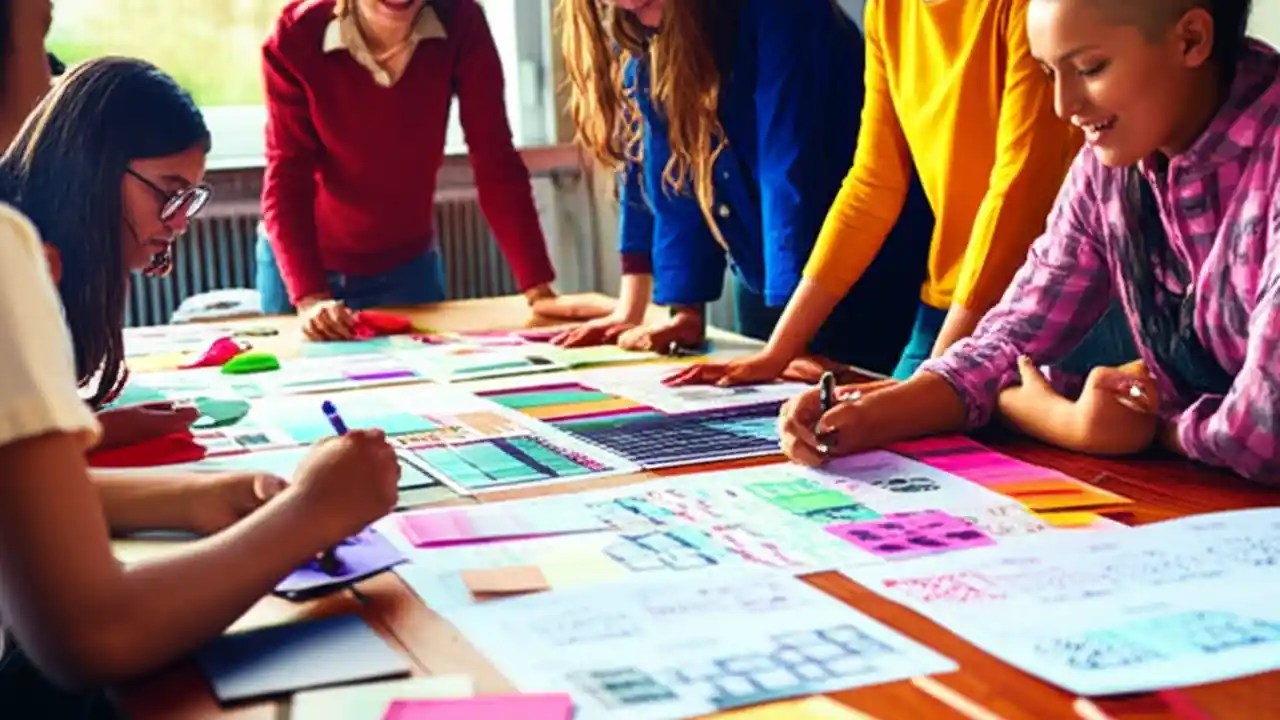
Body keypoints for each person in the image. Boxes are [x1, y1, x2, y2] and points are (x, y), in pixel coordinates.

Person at [0, 47, 402, 718]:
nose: (49, 84)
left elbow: (17, 505)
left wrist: (197, 497)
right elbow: (93, 635)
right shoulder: (15, 257)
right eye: (169, 191)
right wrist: (312, 514)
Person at [778, 0, 1279, 485]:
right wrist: (862, 412)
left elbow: (1265, 428)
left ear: (1190, 39)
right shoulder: (1108, 166)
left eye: (1090, 67)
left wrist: (1101, 425)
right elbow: (1011, 338)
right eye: (1047, 72)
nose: (1064, 106)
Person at [670, 0, 1081, 386]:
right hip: (946, 300)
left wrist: (933, 382)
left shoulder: (1022, 8)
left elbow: (1017, 188)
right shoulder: (888, 8)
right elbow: (872, 184)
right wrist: (777, 352)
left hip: (1051, 300)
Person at [551, 0, 933, 376]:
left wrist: (789, 341)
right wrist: (686, 308)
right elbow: (670, 167)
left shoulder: (784, 11)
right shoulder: (646, 20)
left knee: (863, 414)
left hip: (862, 274)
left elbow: (786, 164)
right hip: (763, 270)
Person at [259, 0, 607, 342]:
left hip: (407, 267)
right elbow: (287, 177)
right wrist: (310, 298)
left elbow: (495, 160)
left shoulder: (461, 20)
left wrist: (539, 291)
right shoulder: (295, 35)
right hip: (305, 268)